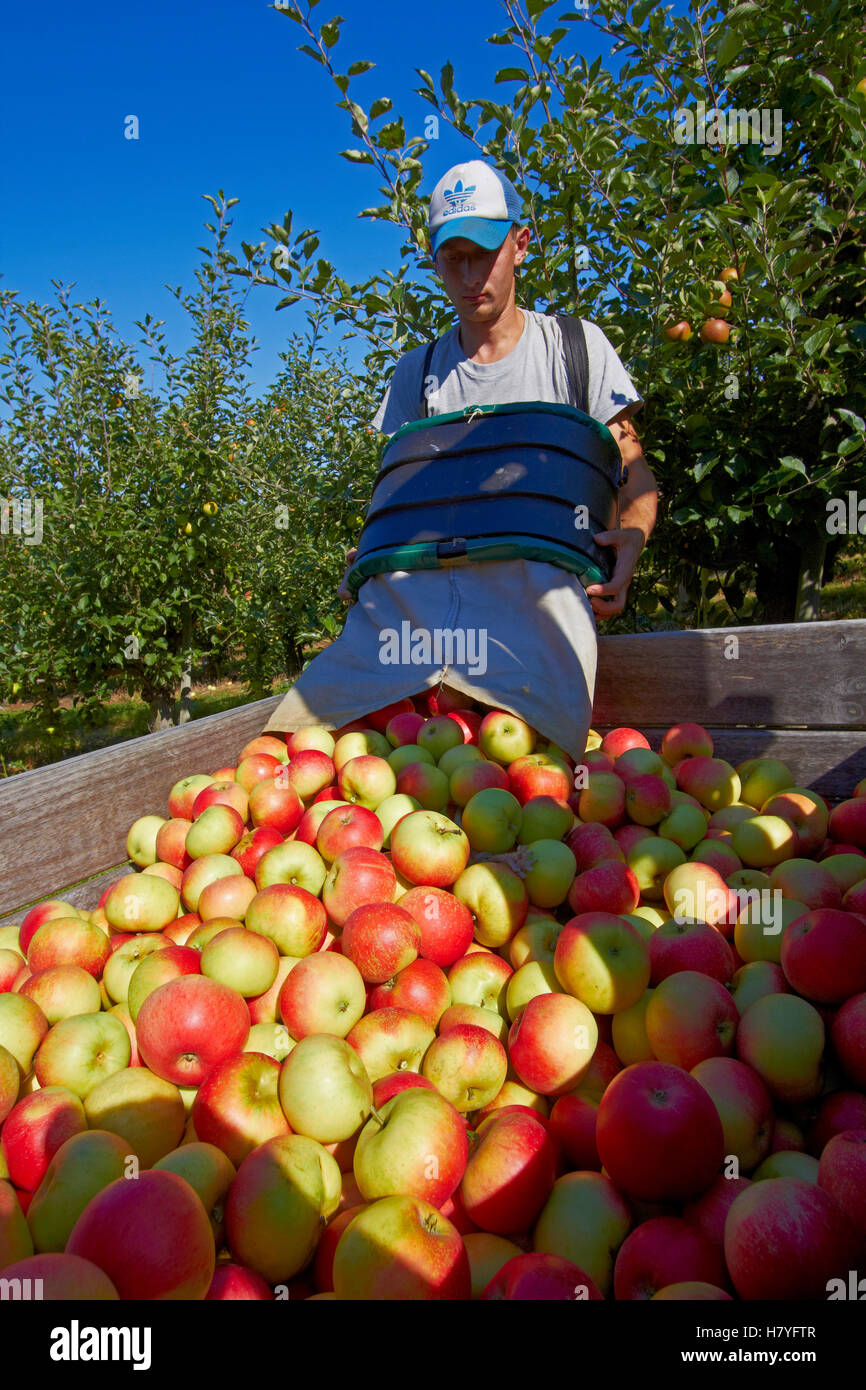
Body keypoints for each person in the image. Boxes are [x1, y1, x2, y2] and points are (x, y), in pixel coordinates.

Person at [263, 160, 658, 759]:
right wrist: (373, 552)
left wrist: (631, 536)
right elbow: (402, 500)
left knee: (536, 772)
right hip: (417, 610)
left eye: (486, 253)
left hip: (535, 606)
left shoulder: (578, 350)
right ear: (435, 261)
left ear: (520, 244)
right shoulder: (417, 376)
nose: (472, 275)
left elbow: (632, 468)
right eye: (455, 259)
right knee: (298, 744)